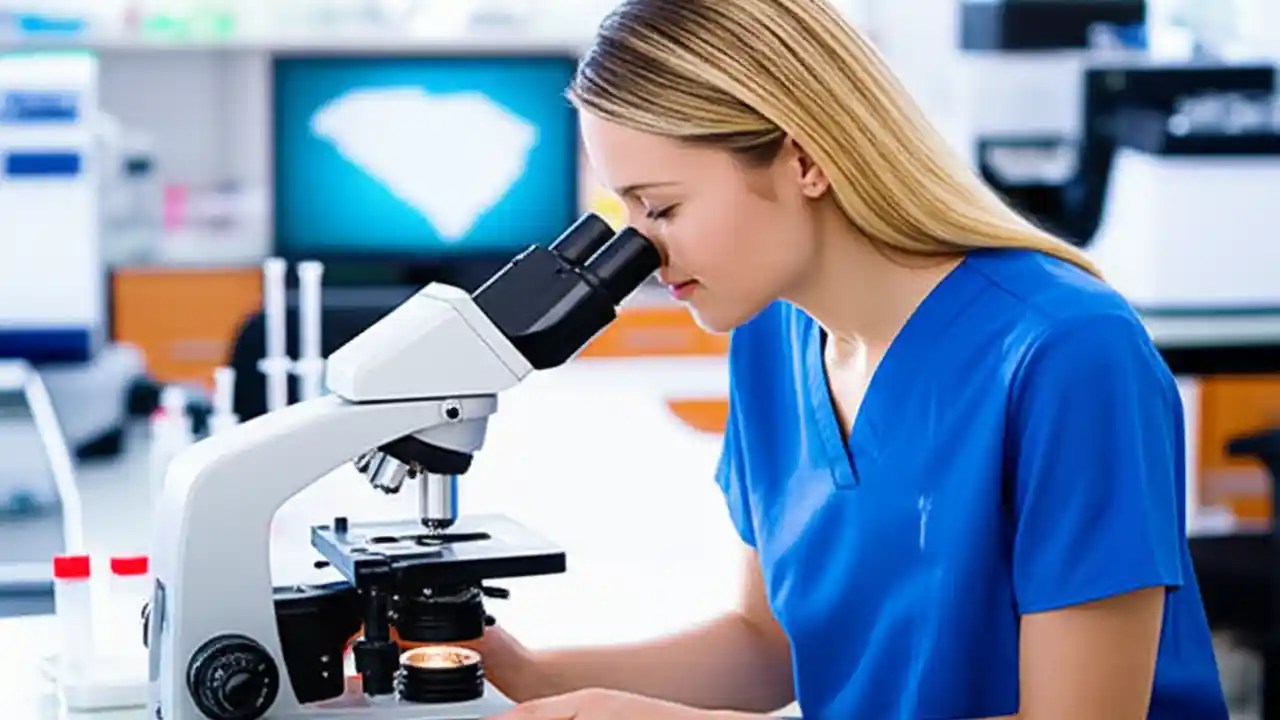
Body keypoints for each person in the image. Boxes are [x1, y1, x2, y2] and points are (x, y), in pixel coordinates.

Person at [481, 0, 1230, 717]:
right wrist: (527, 673)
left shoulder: (1068, 353)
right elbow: (768, 647)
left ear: (804, 161)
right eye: (626, 211)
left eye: (664, 208)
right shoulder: (772, 337)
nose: (642, 251)